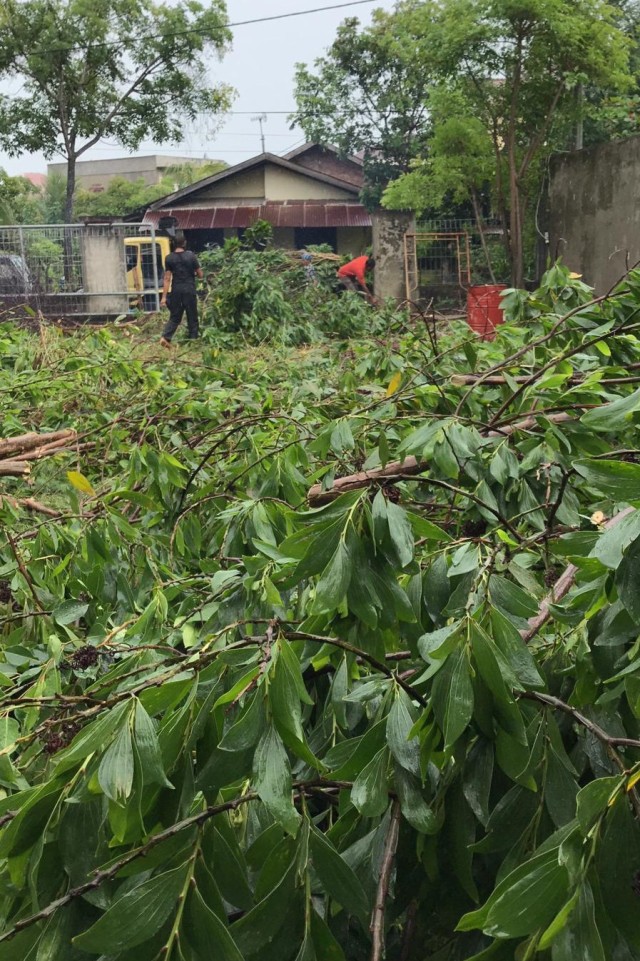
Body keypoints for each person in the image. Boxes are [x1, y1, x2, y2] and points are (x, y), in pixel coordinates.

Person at [160, 234, 203, 346]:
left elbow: (167, 278)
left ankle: (165, 337)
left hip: (176, 291)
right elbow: (200, 275)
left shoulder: (169, 258)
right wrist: (193, 273)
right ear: (184, 243)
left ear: (173, 244)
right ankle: (193, 341)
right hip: (189, 290)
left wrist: (164, 297)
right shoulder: (191, 256)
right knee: (192, 316)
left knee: (175, 316)